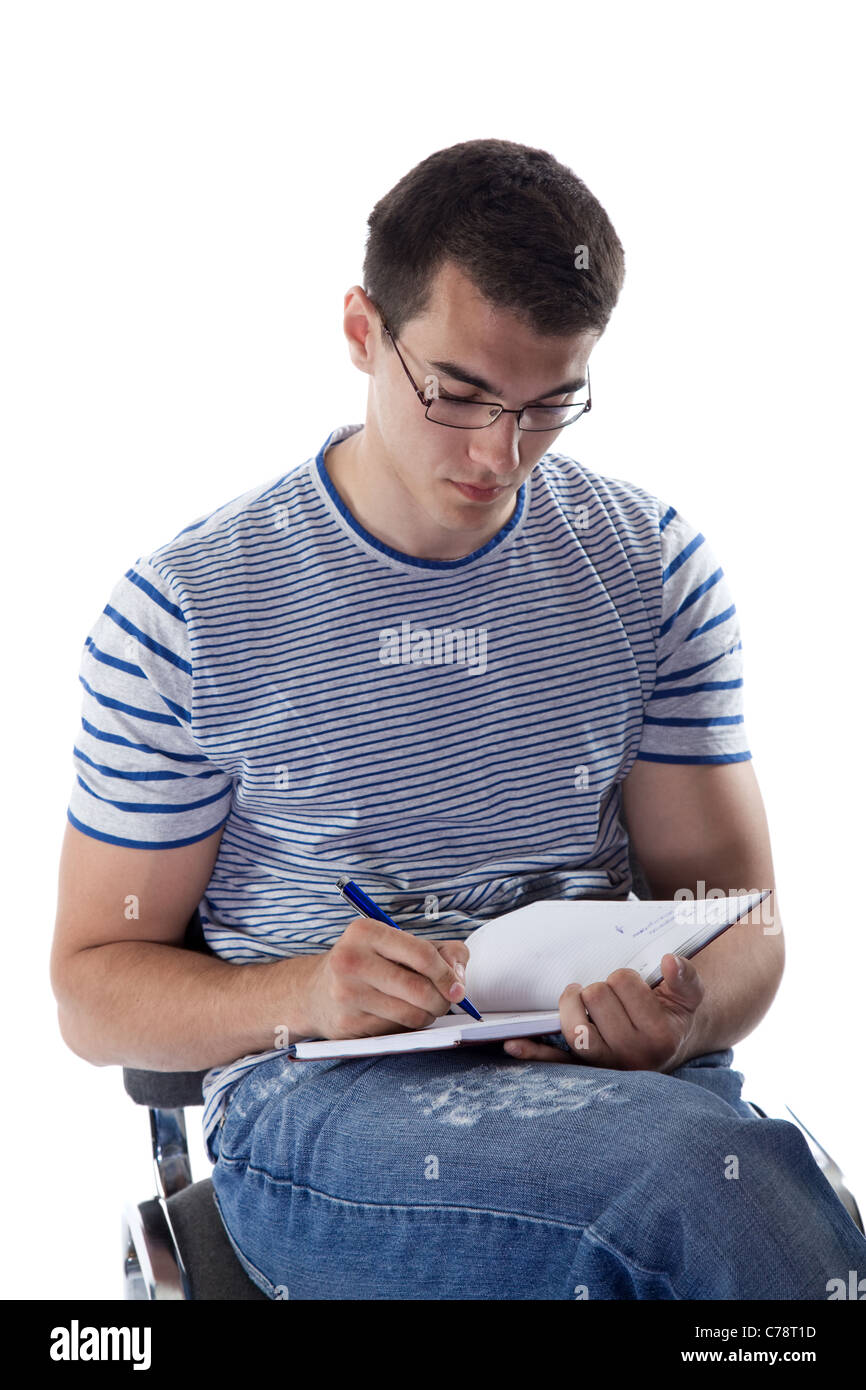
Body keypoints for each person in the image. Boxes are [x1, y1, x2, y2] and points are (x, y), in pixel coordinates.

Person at [51, 138, 866, 1299]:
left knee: (697, 1177)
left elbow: (738, 922)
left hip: (619, 1089)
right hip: (323, 1106)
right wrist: (300, 994)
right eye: (461, 392)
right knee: (692, 1190)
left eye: (548, 406)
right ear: (358, 332)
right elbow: (90, 987)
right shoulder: (188, 608)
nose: (500, 453)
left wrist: (674, 1026)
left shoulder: (649, 567)